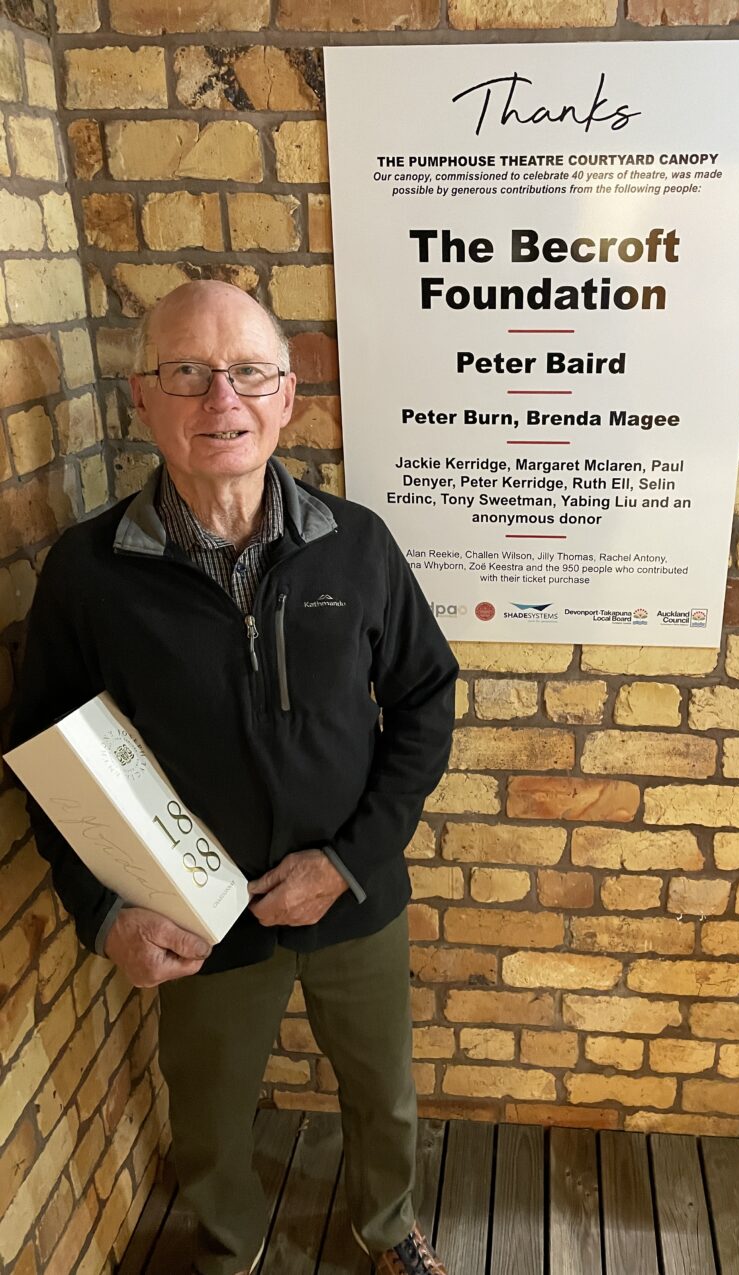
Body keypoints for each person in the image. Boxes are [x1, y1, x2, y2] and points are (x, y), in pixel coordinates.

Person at [11, 280, 458, 1275]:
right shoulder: (90, 573)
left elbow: (427, 699)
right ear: (144, 399)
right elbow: (46, 755)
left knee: (383, 1092)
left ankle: (387, 1229)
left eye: (247, 372)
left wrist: (348, 860)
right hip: (196, 917)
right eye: (188, 373)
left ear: (285, 397)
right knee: (208, 1115)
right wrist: (102, 915)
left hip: (353, 893)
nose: (222, 398)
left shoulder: (357, 544)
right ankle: (228, 1248)